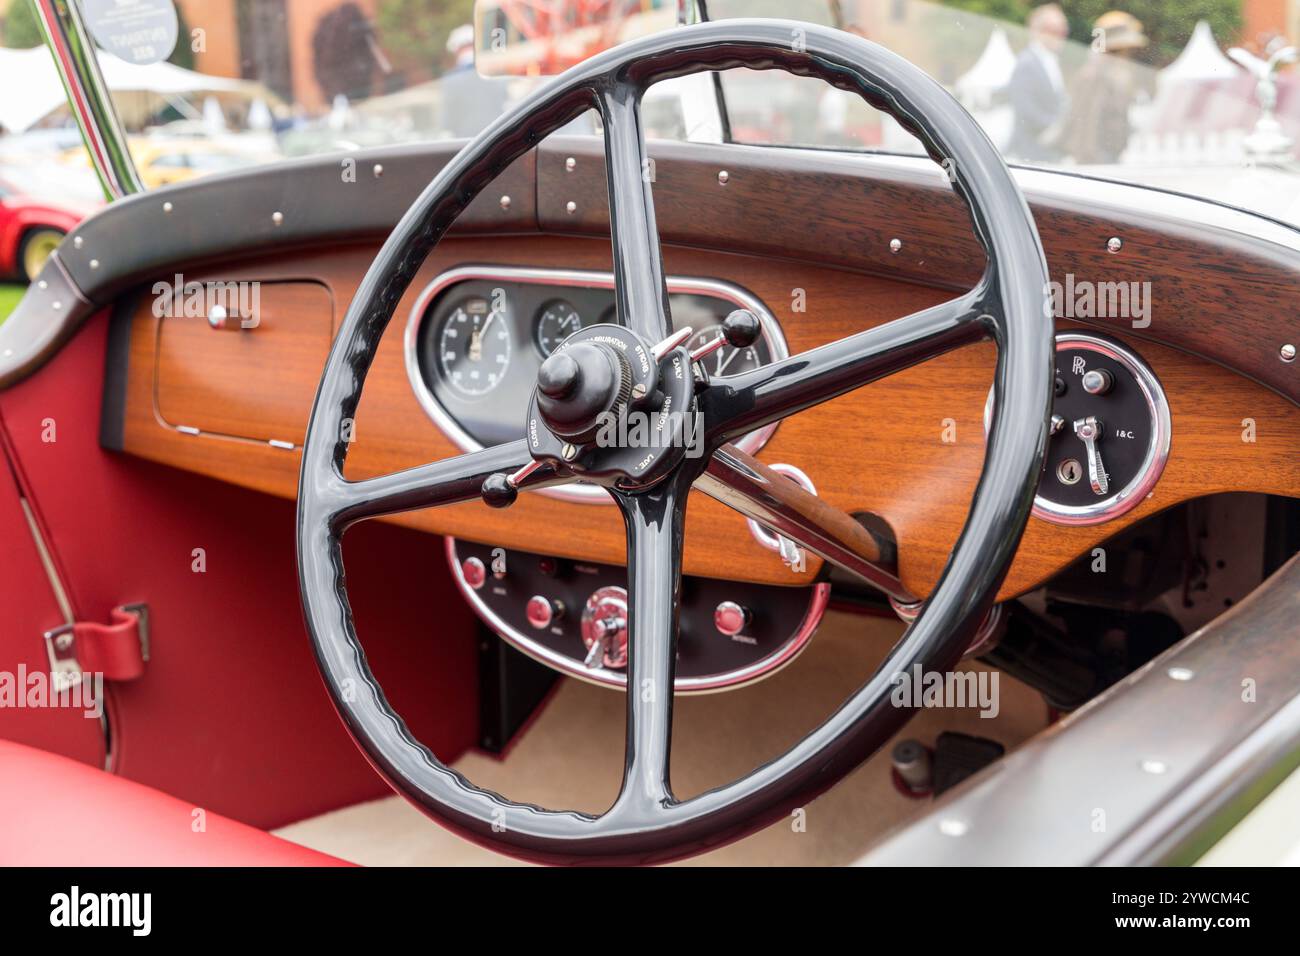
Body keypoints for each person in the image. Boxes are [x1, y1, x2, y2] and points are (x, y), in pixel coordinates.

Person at [1062, 11, 1149, 165]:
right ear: (1116, 48)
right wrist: (1094, 166)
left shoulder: (1112, 75)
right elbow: (1086, 127)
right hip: (1098, 161)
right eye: (1126, 49)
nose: (1129, 54)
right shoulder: (1094, 77)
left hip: (1109, 156)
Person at [1006, 4, 1070, 162]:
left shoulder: (1049, 60)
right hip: (1032, 154)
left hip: (1048, 152)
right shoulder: (1027, 63)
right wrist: (1059, 129)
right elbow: (1025, 111)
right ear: (1037, 30)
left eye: (1063, 31)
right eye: (1055, 30)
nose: (1062, 36)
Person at [438, 24, 509, 139]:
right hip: (497, 139)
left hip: (468, 145)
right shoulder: (496, 72)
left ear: (457, 50)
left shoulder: (451, 80)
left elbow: (448, 121)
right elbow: (505, 102)